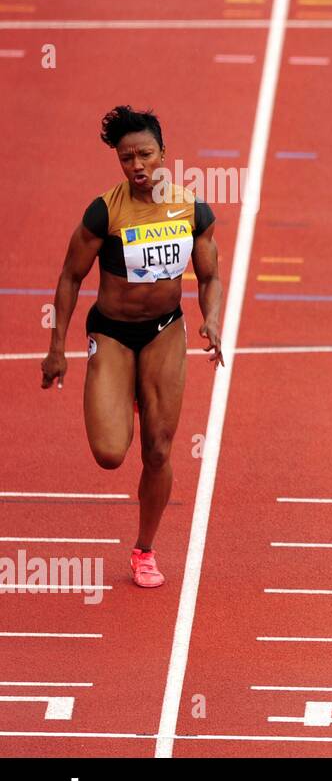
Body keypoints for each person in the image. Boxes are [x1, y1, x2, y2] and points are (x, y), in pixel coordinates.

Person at [41, 106, 224, 588]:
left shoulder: (192, 209)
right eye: (127, 158)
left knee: (159, 451)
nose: (137, 165)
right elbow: (70, 277)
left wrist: (213, 320)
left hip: (165, 330)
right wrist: (57, 346)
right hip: (113, 332)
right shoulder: (104, 211)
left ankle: (144, 549)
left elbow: (210, 277)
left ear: (164, 152)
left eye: (145, 154)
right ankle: (129, 392)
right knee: (109, 453)